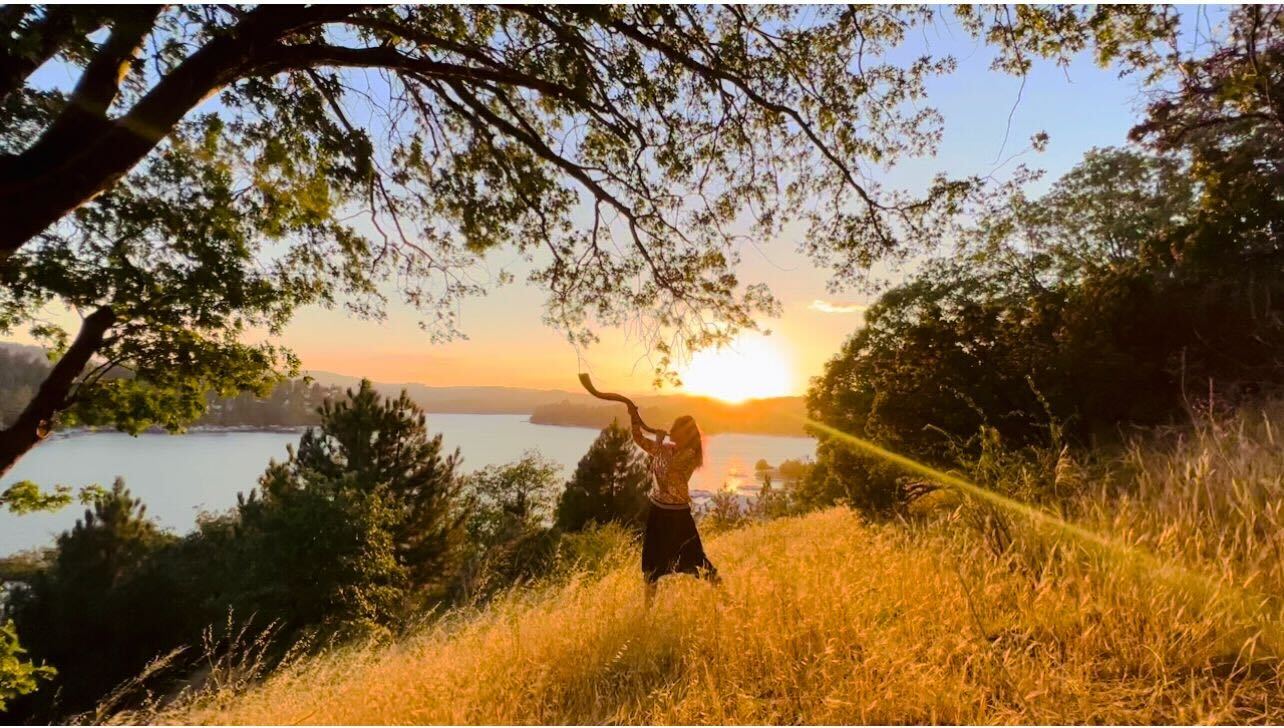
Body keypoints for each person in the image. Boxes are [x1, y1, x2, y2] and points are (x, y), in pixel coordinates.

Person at [626, 404, 720, 608]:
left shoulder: (691, 454)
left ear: (686, 434)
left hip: (678, 517)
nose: (673, 431)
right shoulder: (668, 448)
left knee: (696, 559)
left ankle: (723, 597)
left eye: (677, 428)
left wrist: (659, 444)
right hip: (658, 512)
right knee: (651, 564)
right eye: (674, 428)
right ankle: (647, 612)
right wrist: (634, 418)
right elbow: (640, 440)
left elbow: (667, 472)